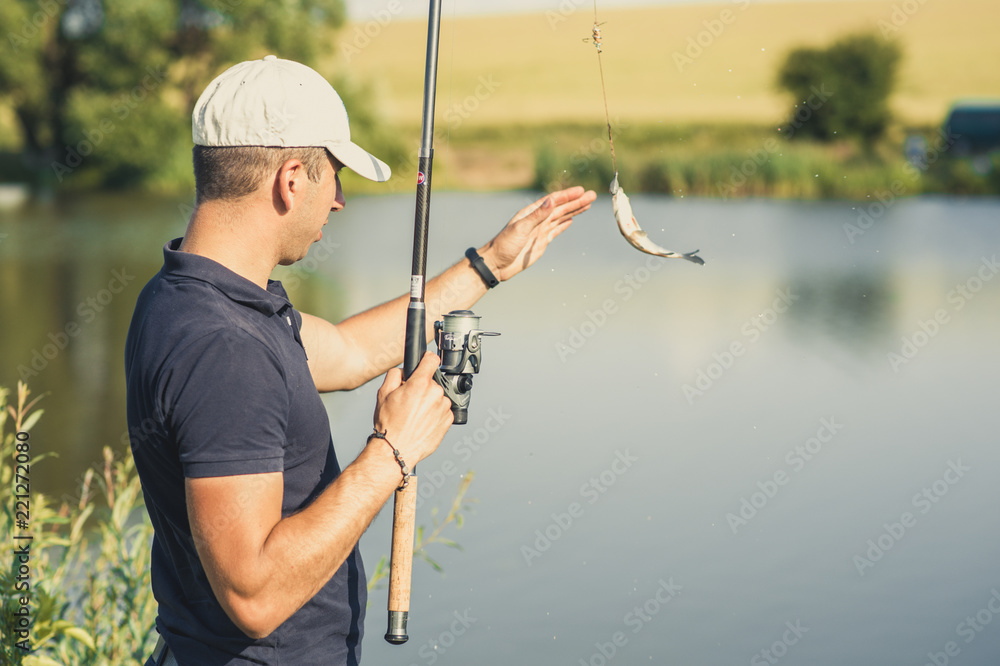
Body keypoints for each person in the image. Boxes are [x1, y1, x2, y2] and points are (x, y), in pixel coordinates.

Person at [125, 55, 595, 665]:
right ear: (292, 179)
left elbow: (348, 353)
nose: (341, 201)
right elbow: (252, 595)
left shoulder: (187, 295)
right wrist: (392, 453)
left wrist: (488, 266)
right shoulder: (225, 347)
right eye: (336, 177)